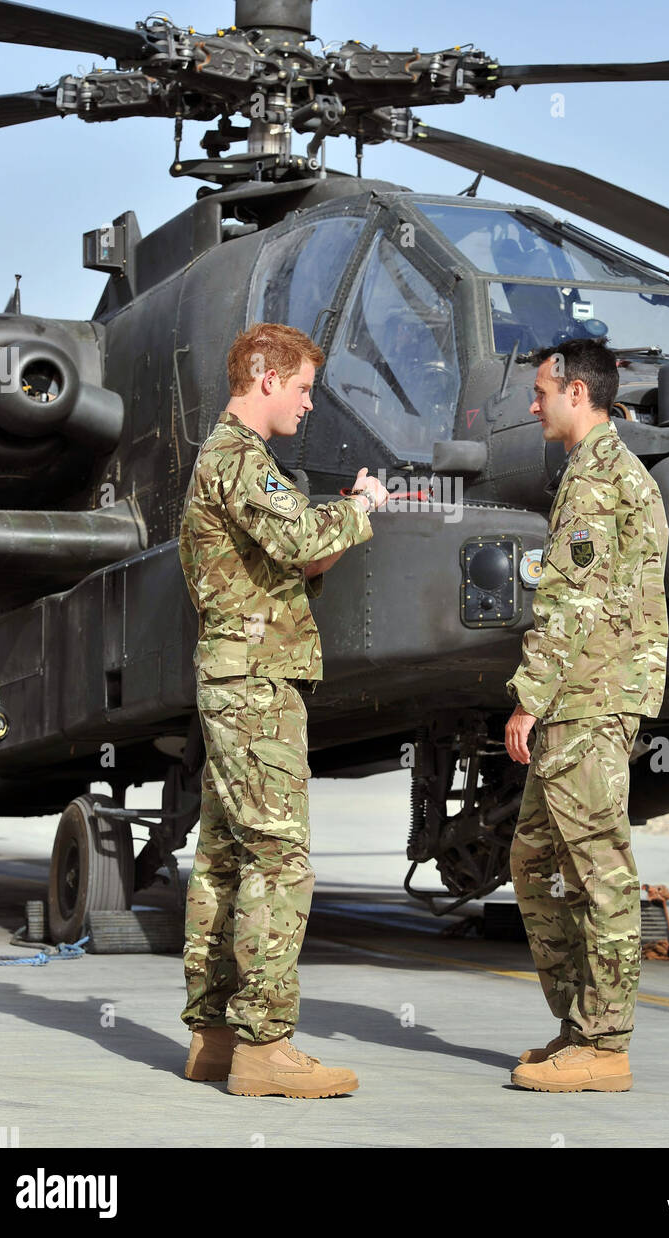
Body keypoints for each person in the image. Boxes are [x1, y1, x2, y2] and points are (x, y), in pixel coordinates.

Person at [177, 322, 389, 1098]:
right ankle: (265, 1046)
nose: (308, 403)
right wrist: (361, 504)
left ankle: (214, 1035)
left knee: (228, 858)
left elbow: (301, 552)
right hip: (257, 688)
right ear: (265, 377)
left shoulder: (235, 462)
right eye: (301, 388)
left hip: (240, 681)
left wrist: (332, 525)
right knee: (279, 857)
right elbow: (303, 534)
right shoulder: (238, 459)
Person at [504, 337, 669, 1093]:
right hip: (590, 695)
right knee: (534, 860)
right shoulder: (605, 470)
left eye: (541, 390)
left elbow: (574, 600)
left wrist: (529, 698)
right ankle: (578, 1026)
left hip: (586, 700)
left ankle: (605, 1045)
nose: (532, 403)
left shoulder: (597, 479)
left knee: (600, 868)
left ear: (576, 392)